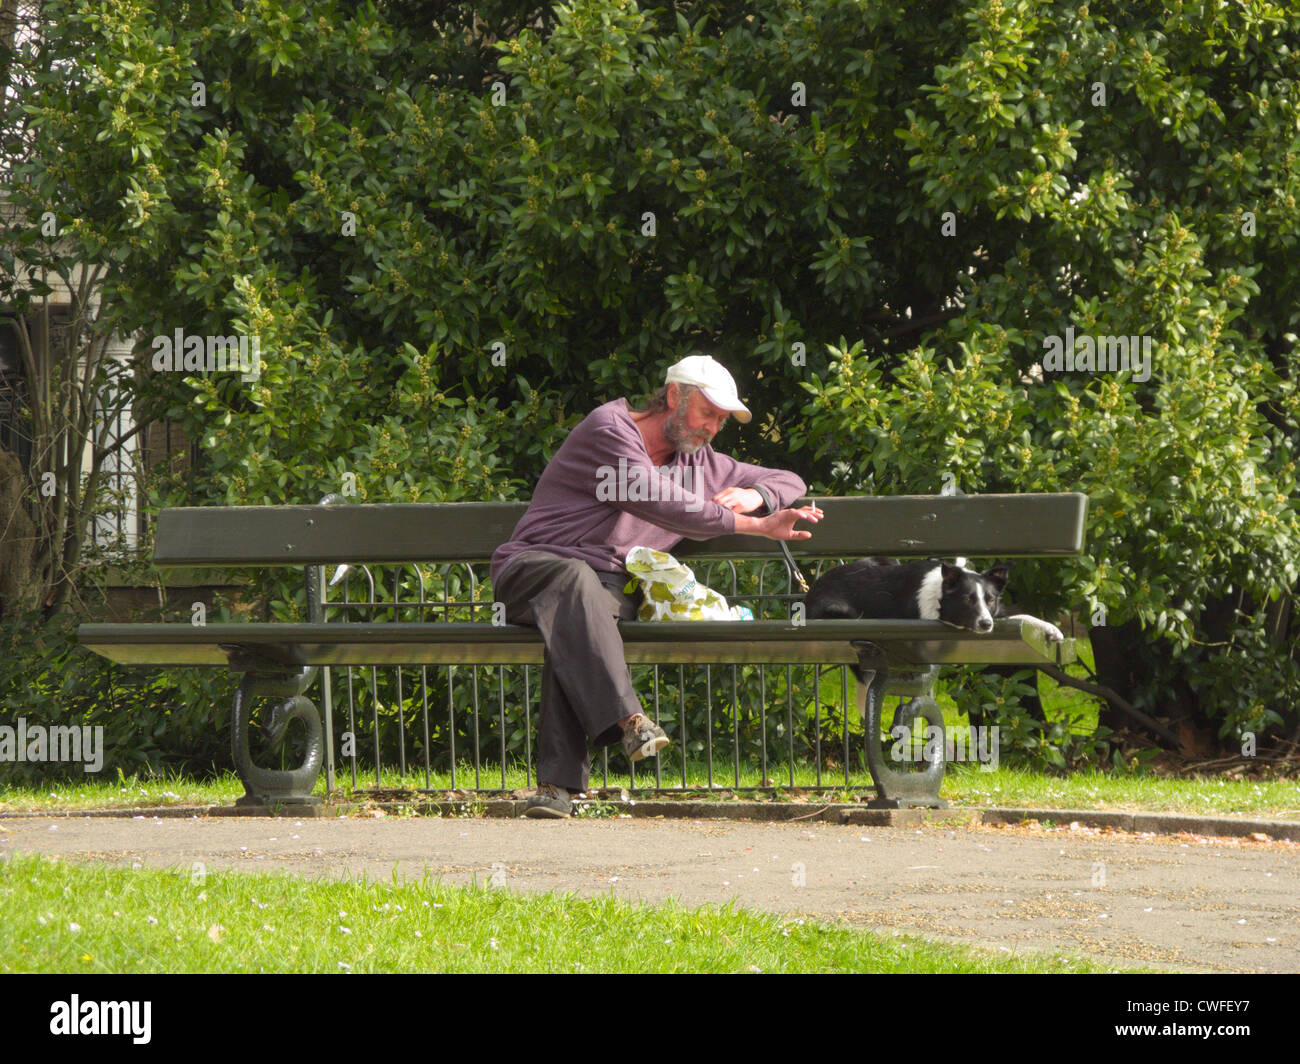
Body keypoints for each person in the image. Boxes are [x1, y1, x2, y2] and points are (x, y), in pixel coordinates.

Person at [490, 353, 822, 818]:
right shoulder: (609, 429)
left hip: (603, 589)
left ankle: (557, 790)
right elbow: (659, 500)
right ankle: (630, 720)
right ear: (673, 396)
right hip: (532, 568)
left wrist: (757, 495)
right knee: (572, 584)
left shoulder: (702, 463)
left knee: (580, 617)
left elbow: (790, 478)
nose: (712, 428)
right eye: (708, 413)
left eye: (722, 420)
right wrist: (755, 526)